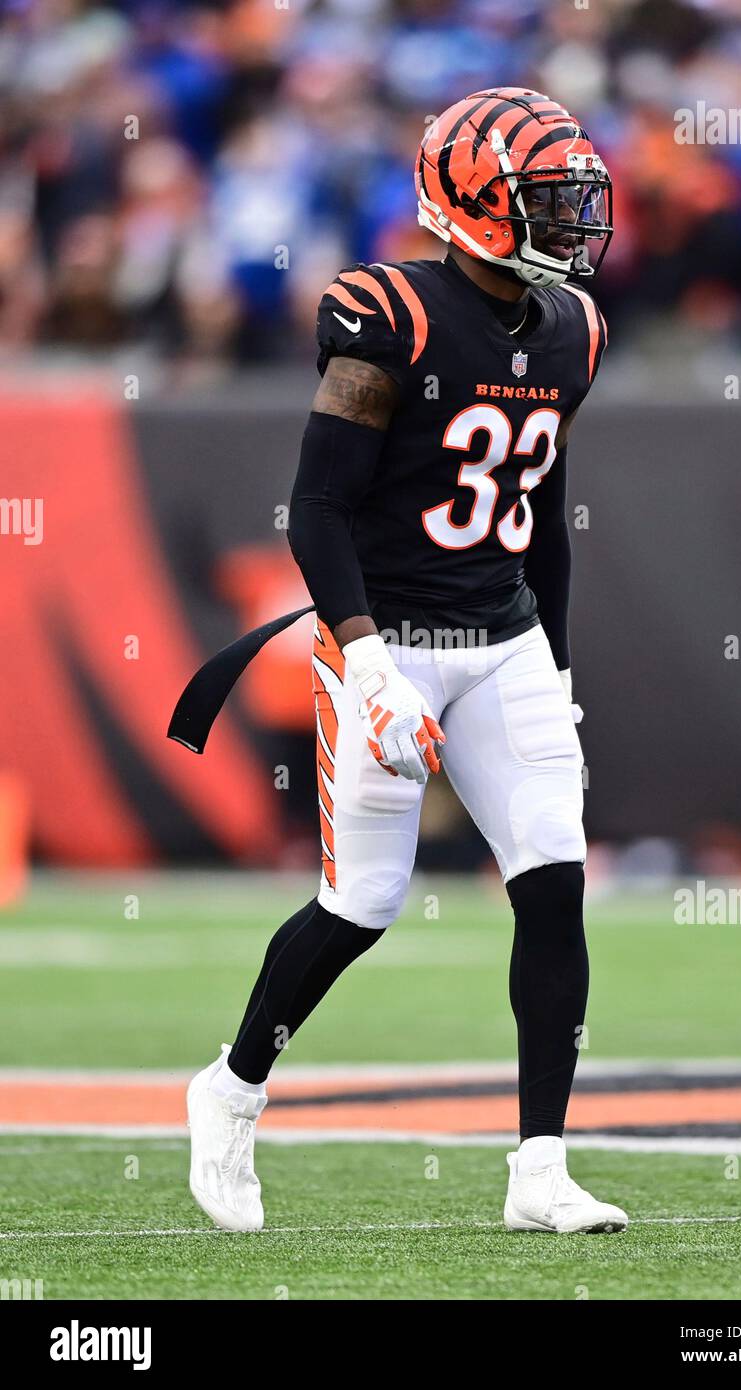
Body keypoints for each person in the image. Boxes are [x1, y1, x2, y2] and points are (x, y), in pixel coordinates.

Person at [187, 87, 627, 1235]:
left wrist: (561, 672)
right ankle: (230, 1091)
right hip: (389, 639)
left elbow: (543, 518)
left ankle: (539, 1167)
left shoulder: (572, 328)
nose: (573, 218)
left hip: (504, 636)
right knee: (364, 900)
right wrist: (367, 661)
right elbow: (318, 509)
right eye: (546, 196)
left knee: (552, 878)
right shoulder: (394, 315)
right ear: (472, 203)